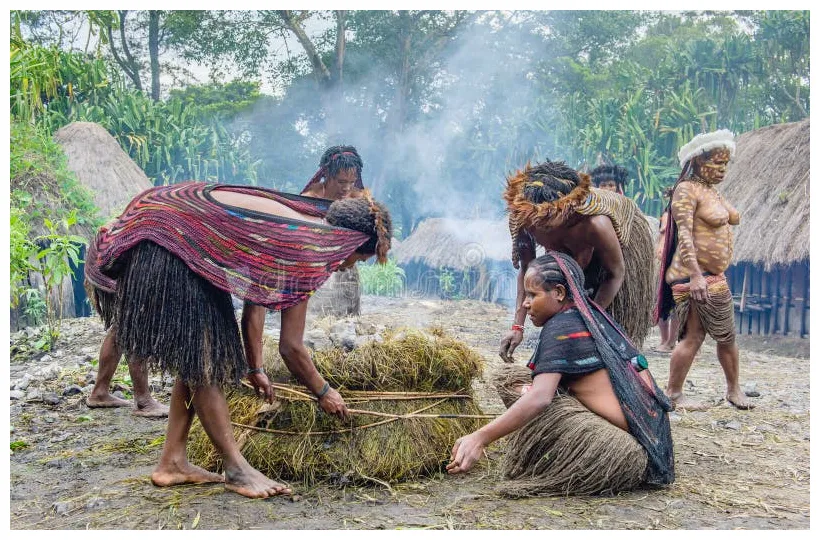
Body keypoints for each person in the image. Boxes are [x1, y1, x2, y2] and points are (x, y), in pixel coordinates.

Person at [85, 181, 392, 499]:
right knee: (204, 357)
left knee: (202, 351)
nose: (349, 265)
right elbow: (291, 346)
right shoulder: (308, 243)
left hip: (178, 237)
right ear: (348, 239)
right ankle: (236, 469)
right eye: (358, 257)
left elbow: (254, 301)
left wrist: (255, 366)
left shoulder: (303, 225)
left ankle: (172, 461)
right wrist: (324, 391)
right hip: (166, 239)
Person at [448, 251, 674, 492]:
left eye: (533, 295)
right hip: (654, 443)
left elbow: (541, 398)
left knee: (513, 383)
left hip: (624, 450)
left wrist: (480, 438)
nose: (525, 303)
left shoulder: (562, 326)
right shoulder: (589, 314)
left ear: (558, 293)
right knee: (524, 384)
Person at [499, 159, 654, 361]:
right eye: (536, 220)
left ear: (568, 208)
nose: (540, 225)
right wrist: (517, 327)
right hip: (571, 262)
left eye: (547, 219)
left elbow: (616, 273)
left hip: (613, 259)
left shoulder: (595, 224)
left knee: (604, 339)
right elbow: (527, 271)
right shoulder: (525, 217)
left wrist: (589, 318)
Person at [655, 129, 752, 411]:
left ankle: (733, 390)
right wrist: (696, 275)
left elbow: (733, 216)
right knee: (694, 337)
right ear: (698, 162)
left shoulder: (709, 191)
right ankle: (674, 393)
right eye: (716, 164)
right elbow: (684, 235)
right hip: (694, 276)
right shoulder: (686, 190)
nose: (722, 171)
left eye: (725, 165)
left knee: (722, 336)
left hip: (711, 277)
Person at [652, 191, 679, 353]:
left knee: (677, 302)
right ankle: (665, 340)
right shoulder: (667, 214)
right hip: (665, 261)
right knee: (663, 300)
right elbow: (662, 235)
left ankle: (670, 341)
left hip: (679, 261)